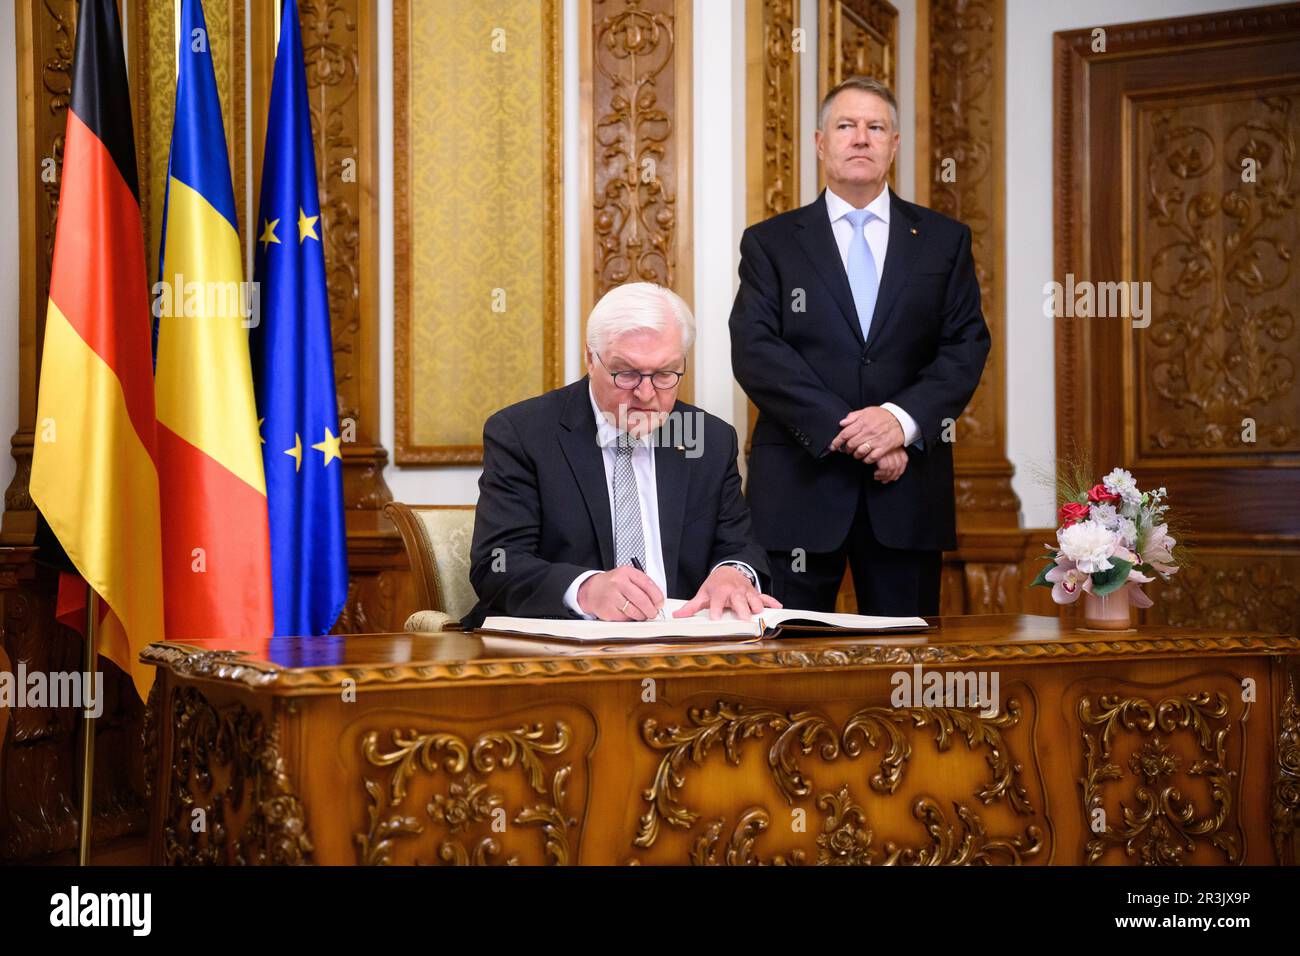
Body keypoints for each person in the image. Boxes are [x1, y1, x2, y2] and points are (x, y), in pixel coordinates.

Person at [729, 76, 990, 616]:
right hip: (799, 489)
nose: (861, 138)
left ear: (894, 144)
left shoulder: (945, 240)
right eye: (846, 126)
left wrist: (900, 421)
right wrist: (857, 433)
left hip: (907, 493)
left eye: (876, 127)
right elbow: (756, 350)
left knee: (906, 668)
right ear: (821, 142)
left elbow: (965, 345)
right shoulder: (771, 243)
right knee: (785, 666)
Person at [464, 282, 777, 628]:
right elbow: (497, 564)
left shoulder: (708, 439)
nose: (646, 393)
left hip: (682, 646)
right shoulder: (523, 434)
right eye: (626, 373)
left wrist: (733, 573)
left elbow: (740, 546)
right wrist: (585, 590)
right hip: (561, 649)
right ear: (590, 359)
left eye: (664, 374)